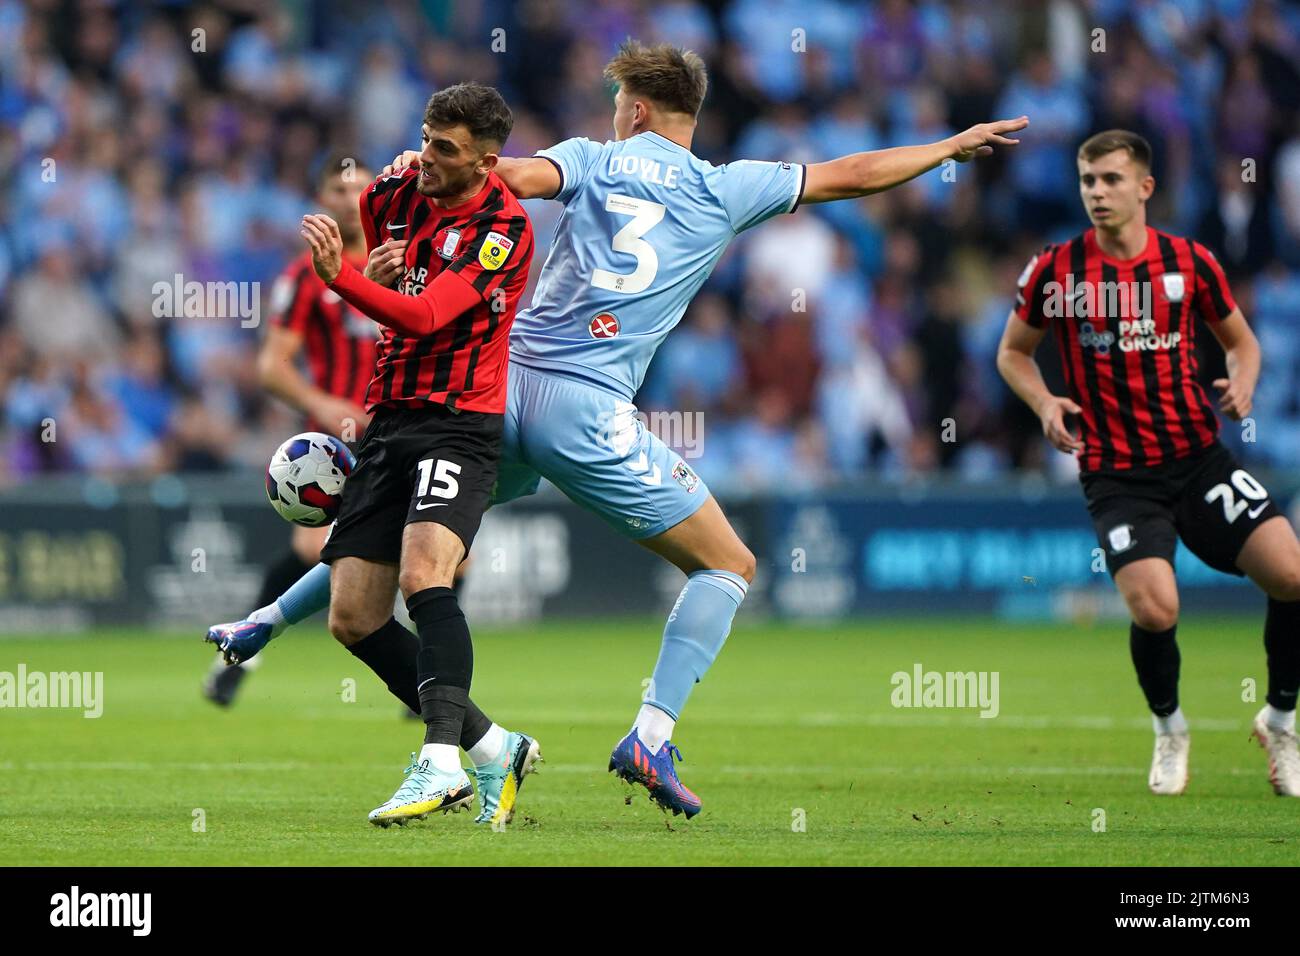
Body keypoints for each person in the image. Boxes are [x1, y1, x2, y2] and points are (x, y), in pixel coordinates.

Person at [210, 41, 1027, 819]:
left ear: (633, 110)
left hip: (496, 386)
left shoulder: (593, 159)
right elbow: (848, 176)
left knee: (410, 540)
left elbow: (509, 175)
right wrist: (949, 145)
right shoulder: (724, 185)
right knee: (730, 565)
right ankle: (652, 738)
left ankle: (270, 620)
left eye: (614, 107)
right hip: (584, 411)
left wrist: (412, 181)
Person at [997, 129, 1300, 797]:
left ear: (1144, 187)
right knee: (1156, 608)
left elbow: (1241, 343)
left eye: (1109, 180)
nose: (1097, 193)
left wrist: (1242, 383)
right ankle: (1170, 729)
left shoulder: (1190, 263)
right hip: (1117, 473)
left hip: (1198, 456)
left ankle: (1280, 717)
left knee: (1292, 573)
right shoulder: (1056, 270)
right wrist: (1045, 403)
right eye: (1087, 181)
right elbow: (1012, 353)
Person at [202, 153, 376, 708]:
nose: (349, 200)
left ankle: (427, 683)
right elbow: (271, 367)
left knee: (452, 557)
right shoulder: (303, 276)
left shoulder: (402, 258)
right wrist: (322, 404)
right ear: (322, 201)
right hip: (338, 436)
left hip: (403, 422)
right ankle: (240, 653)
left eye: (360, 190)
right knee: (314, 547)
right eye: (338, 190)